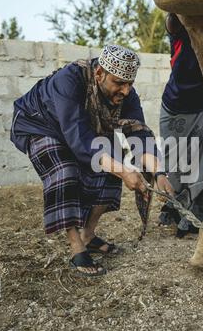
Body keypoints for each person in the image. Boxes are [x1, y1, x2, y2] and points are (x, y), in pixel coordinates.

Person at [11, 44, 173, 277]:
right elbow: (80, 141)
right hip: (40, 125)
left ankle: (88, 234)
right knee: (64, 171)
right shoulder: (69, 80)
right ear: (99, 74)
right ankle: (77, 247)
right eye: (119, 83)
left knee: (112, 162)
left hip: (77, 129)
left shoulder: (126, 93)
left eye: (130, 84)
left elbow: (140, 134)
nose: (126, 91)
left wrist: (159, 173)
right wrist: (123, 171)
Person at [159, 13, 203, 237]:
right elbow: (171, 19)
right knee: (176, 160)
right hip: (176, 105)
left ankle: (196, 213)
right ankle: (174, 206)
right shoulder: (180, 28)